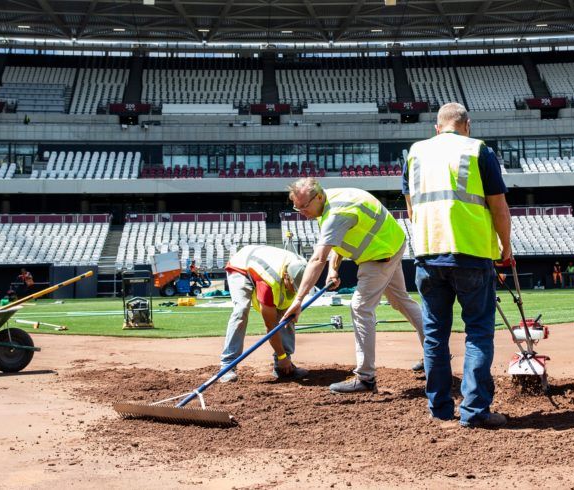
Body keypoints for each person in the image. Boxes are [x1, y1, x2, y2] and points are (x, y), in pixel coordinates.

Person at [403, 102, 512, 429]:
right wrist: (505, 247)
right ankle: (475, 411)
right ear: (467, 125)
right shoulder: (478, 150)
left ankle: (439, 409)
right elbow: (499, 207)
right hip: (471, 254)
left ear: (437, 128)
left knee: (435, 336)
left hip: (427, 254)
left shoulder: (415, 153)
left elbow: (411, 208)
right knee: (478, 332)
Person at [283, 178, 425, 394]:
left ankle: (365, 378)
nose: (301, 212)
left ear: (318, 197)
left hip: (379, 256)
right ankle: (436, 352)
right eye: (297, 207)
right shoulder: (331, 201)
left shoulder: (336, 213)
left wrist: (299, 300)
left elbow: (317, 259)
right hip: (392, 244)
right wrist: (333, 270)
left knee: (360, 307)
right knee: (401, 301)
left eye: (304, 206)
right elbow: (341, 238)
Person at [218, 245, 310, 383]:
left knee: (288, 314)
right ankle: (227, 366)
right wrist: (281, 356)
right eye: (292, 287)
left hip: (265, 263)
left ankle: (282, 367)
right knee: (241, 311)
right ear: (286, 277)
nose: (293, 291)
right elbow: (270, 326)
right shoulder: (269, 281)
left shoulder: (304, 269)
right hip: (241, 266)